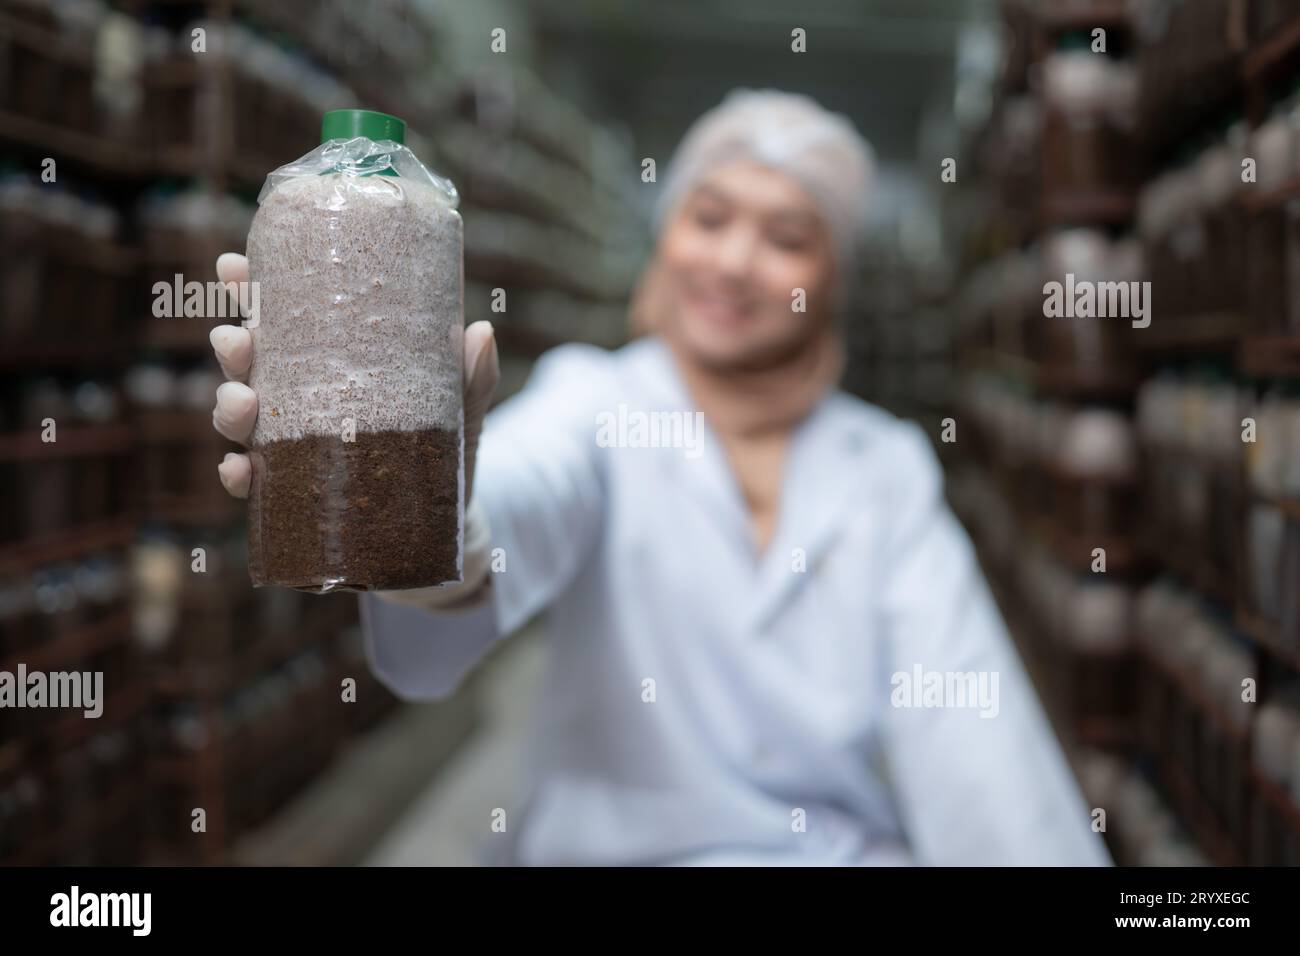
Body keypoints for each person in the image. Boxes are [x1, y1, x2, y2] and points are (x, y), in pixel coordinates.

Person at [208, 89, 1111, 866]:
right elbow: (518, 505)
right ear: (667, 232)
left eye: (787, 237)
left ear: (831, 278)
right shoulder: (598, 404)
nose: (734, 262)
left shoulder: (883, 468)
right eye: (709, 218)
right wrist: (428, 505)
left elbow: (974, 738)